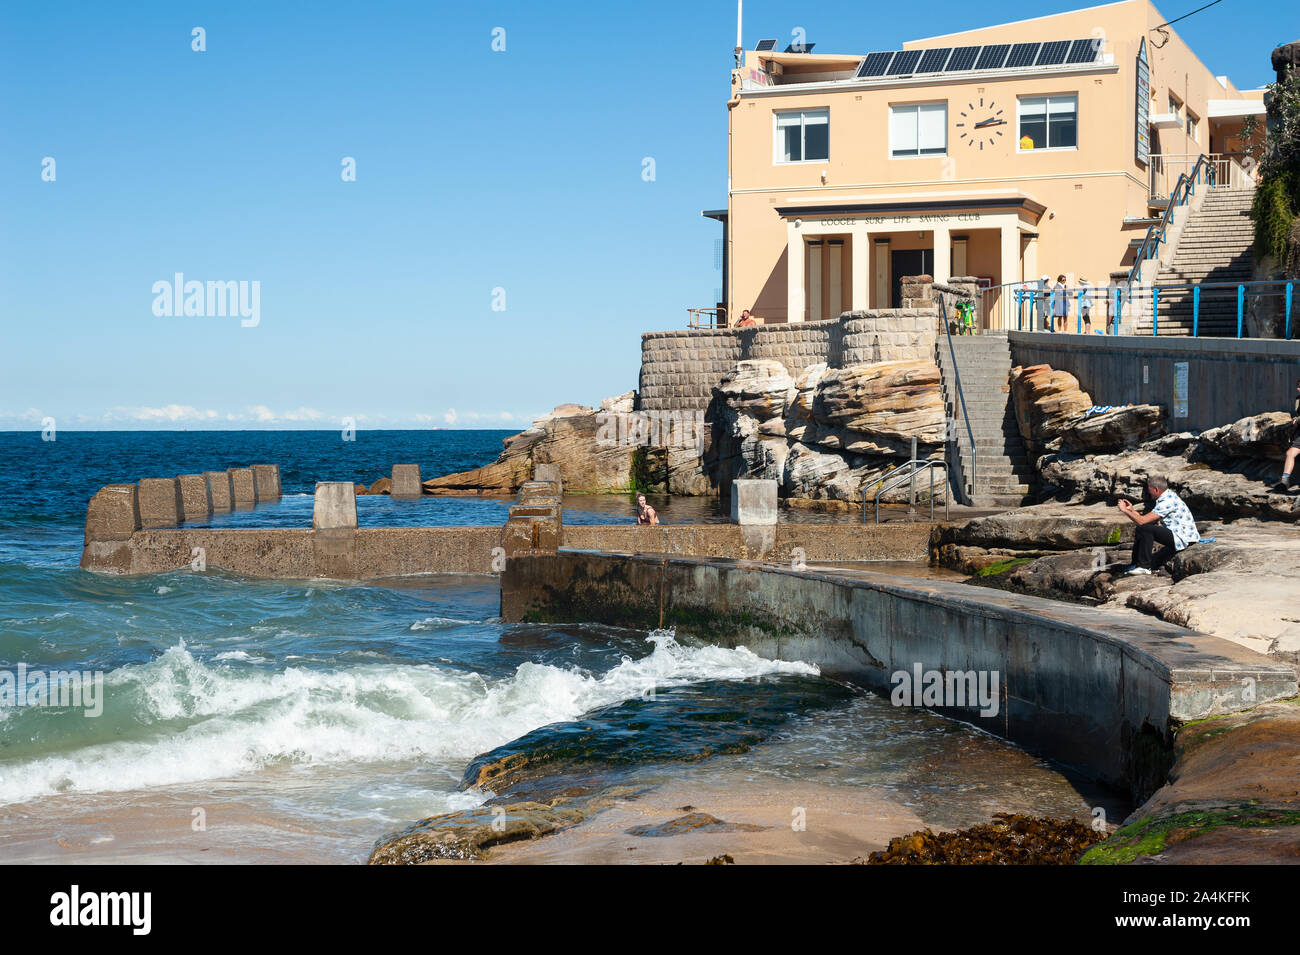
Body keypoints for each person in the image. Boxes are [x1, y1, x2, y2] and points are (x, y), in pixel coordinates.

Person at [1117, 474, 1200, 574]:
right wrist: (1132, 511)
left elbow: (1142, 521)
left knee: (1145, 529)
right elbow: (1148, 520)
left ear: (1156, 489)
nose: (1148, 492)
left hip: (1183, 538)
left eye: (1149, 489)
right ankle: (1136, 564)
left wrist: (1125, 510)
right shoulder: (1167, 496)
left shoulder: (1167, 501)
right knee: (1142, 528)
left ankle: (1144, 567)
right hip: (1179, 535)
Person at [1274, 378, 1300, 492]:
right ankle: (1284, 481)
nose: (1298, 388)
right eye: (1298, 386)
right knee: (1290, 453)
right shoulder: (1298, 399)